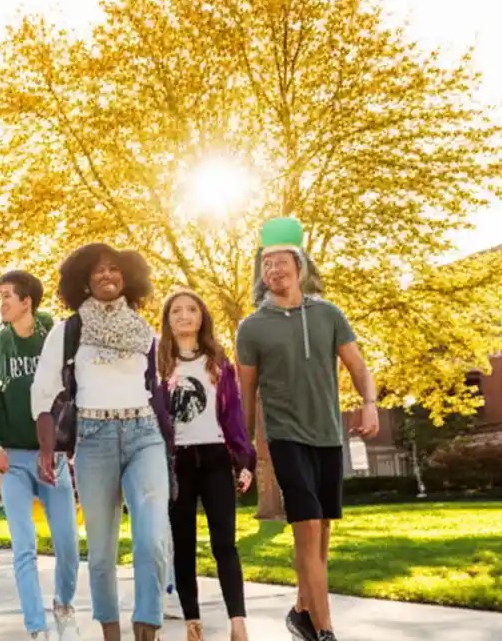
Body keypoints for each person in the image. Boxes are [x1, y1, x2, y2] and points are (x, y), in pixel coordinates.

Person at [236, 218, 379, 641]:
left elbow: (358, 367)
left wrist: (369, 404)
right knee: (308, 526)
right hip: (284, 436)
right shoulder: (252, 326)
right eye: (266, 265)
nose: (274, 271)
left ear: (299, 266)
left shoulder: (329, 314)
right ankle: (324, 629)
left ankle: (302, 609)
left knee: (323, 533)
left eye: (281, 262)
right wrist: (243, 448)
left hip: (328, 436)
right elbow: (247, 392)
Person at [32, 245, 174, 641]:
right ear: (85, 280)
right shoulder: (69, 331)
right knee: (100, 552)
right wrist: (48, 449)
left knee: (152, 537)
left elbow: (159, 389)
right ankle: (110, 630)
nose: (107, 275)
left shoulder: (146, 332)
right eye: (98, 271)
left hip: (144, 435)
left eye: (115, 269)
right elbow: (44, 393)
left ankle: (148, 623)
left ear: (128, 277)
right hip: (94, 439)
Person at [0, 271, 80, 641]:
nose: (0, 303)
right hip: (14, 461)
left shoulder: (58, 342)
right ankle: (37, 628)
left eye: (6, 296)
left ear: (26, 302)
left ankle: (64, 606)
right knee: (24, 545)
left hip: (54, 457)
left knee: (66, 542)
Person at [160, 289, 257, 641]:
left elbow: (233, 417)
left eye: (191, 310)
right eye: (176, 311)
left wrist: (244, 459)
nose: (184, 316)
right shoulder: (158, 365)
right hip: (177, 462)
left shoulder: (218, 362)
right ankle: (192, 622)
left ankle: (238, 621)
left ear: (202, 317)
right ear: (168, 320)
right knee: (182, 542)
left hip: (215, 457)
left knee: (224, 543)